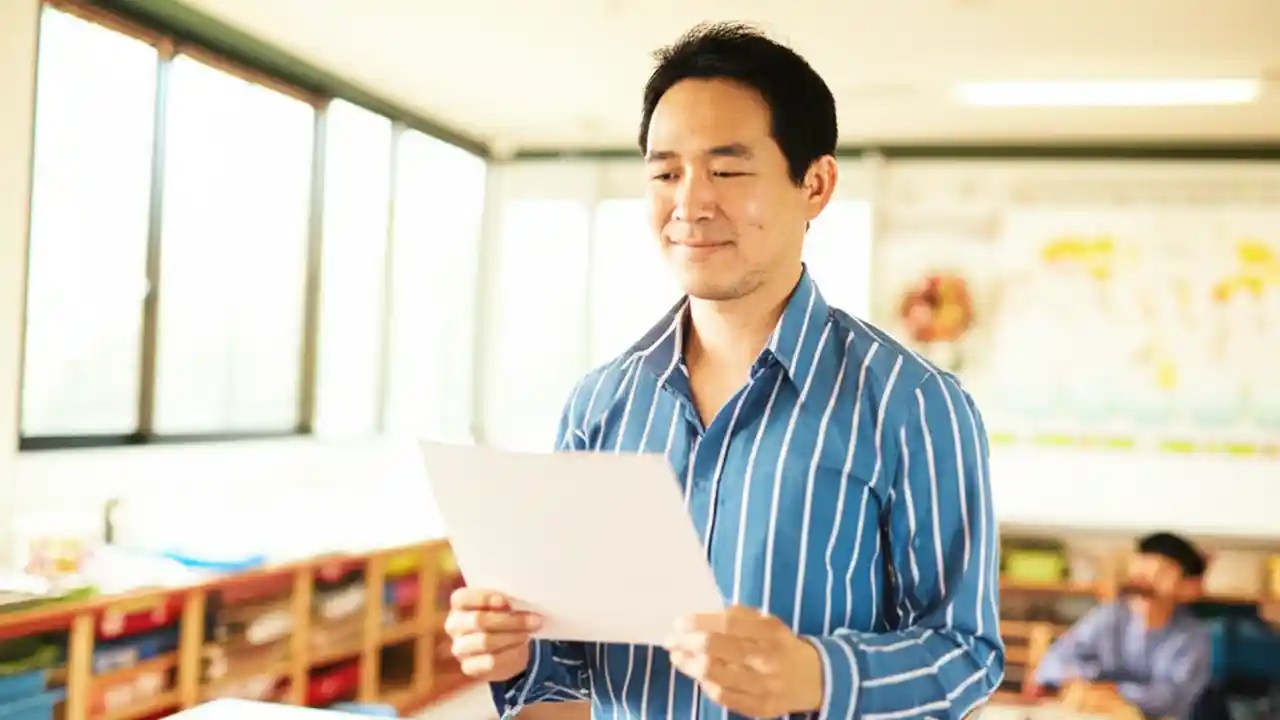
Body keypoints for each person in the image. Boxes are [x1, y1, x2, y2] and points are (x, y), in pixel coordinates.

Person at [445, 22, 1003, 719]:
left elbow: (967, 654)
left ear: (816, 185)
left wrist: (818, 675)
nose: (690, 204)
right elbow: (574, 658)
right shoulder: (600, 405)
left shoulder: (912, 402)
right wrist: (514, 650)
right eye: (665, 173)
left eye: (728, 171)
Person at [1036, 532, 1213, 720]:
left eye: (1162, 573)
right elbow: (1053, 663)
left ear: (1188, 587)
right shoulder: (1109, 616)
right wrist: (1086, 680)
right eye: (1140, 573)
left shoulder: (1192, 637)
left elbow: (1172, 698)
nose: (1146, 583)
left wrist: (1116, 691)